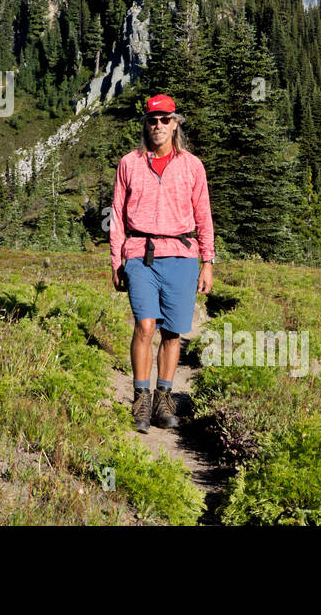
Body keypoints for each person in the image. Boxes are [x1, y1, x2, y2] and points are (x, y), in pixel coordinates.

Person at [109, 94, 215, 432]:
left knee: (173, 332)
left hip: (183, 255)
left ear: (175, 124)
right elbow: (116, 215)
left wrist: (208, 260)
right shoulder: (129, 163)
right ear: (146, 124)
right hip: (140, 253)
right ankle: (140, 400)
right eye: (153, 120)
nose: (158, 126)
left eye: (165, 120)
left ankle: (164, 399)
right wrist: (116, 259)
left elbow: (204, 215)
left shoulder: (192, 165)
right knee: (145, 326)